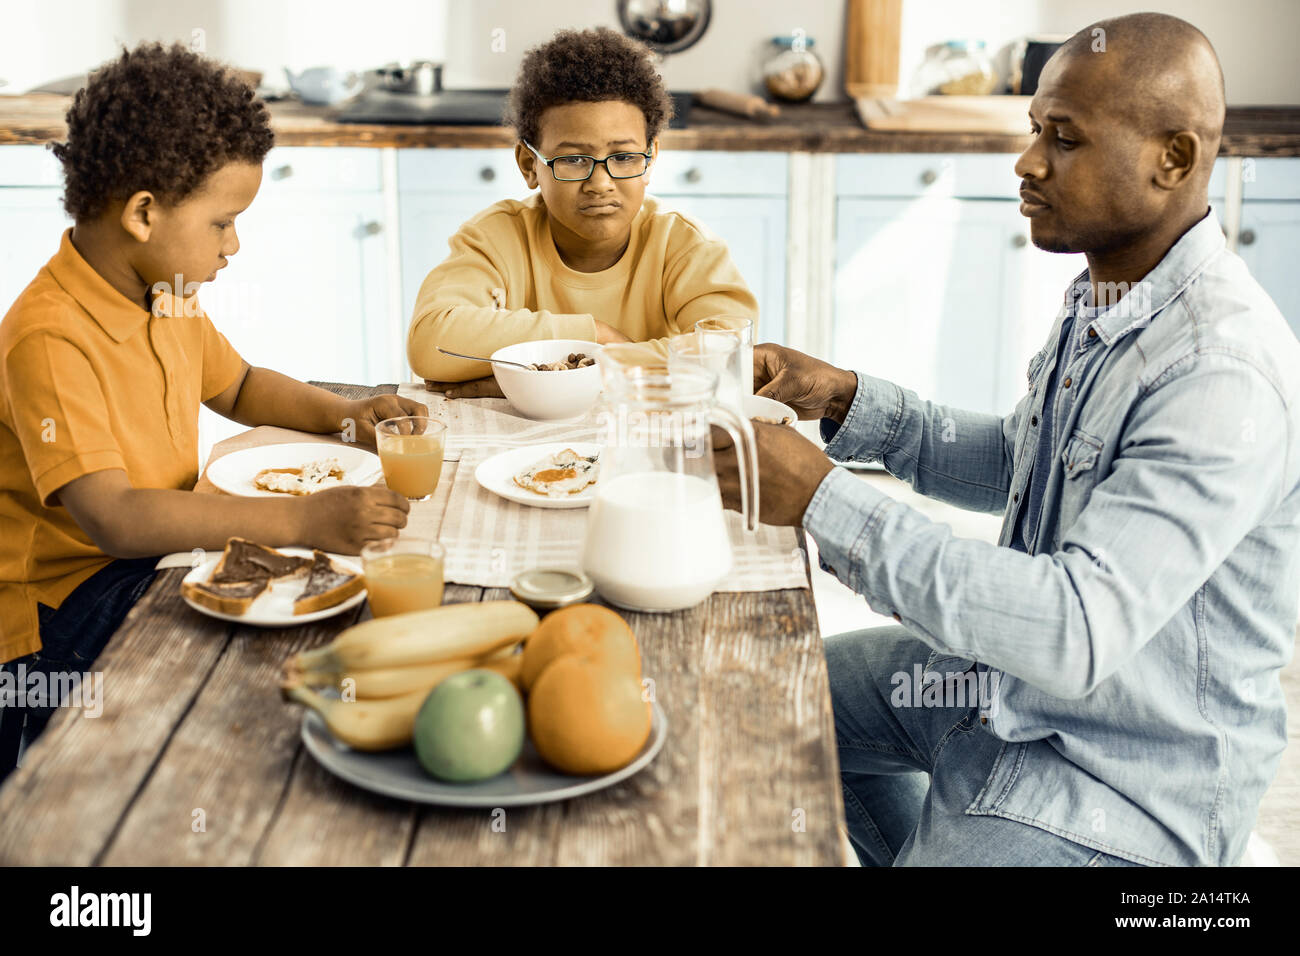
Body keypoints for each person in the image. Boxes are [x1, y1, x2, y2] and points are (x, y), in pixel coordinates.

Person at [714, 13, 1300, 866]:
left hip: (1128, 788)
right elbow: (1020, 463)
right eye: (1034, 130)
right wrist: (844, 400)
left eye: (1063, 139)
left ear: (1172, 158)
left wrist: (822, 501)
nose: (1026, 163)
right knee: (766, 701)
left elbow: (1072, 627)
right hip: (1005, 689)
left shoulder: (1221, 372)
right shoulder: (1109, 294)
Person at [0, 44, 423, 781]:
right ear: (142, 213)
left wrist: (348, 416)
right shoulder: (49, 336)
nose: (235, 245)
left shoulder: (164, 293)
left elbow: (241, 385)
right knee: (240, 687)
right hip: (59, 613)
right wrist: (302, 520)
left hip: (147, 555)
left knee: (316, 616)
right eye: (222, 223)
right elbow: (117, 519)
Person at [408, 27, 758, 397]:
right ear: (529, 164)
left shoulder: (687, 248)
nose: (601, 183)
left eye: (623, 157)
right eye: (574, 159)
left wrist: (546, 375)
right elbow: (431, 342)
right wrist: (594, 334)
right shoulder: (494, 238)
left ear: (651, 158)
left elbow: (728, 360)